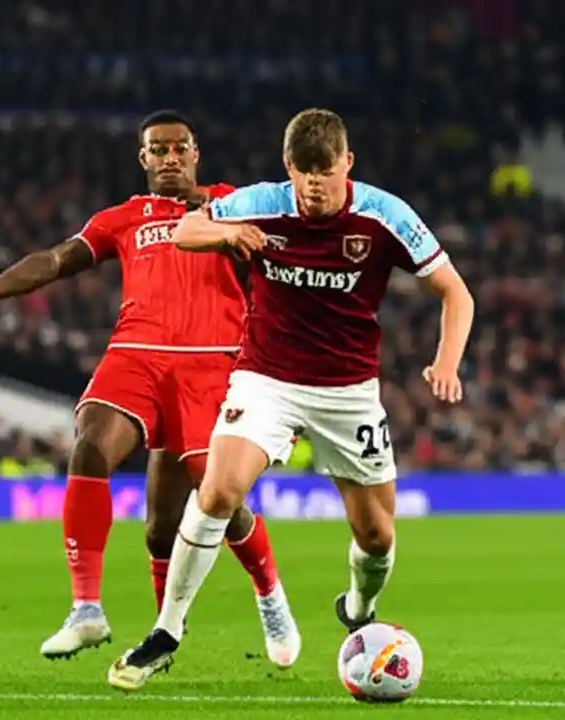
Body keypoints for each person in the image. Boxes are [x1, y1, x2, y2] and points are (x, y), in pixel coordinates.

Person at [108, 108, 474, 690]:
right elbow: (185, 231)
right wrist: (228, 232)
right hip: (266, 379)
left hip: (348, 392)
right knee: (220, 489)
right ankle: (167, 631)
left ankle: (357, 606)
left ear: (347, 165)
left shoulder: (384, 215)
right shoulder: (263, 202)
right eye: (303, 174)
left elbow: (455, 292)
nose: (313, 187)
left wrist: (447, 361)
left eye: (324, 173)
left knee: (378, 537)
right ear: (288, 169)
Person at [0, 110, 300, 668]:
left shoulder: (232, 202)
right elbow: (57, 259)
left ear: (196, 153)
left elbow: (293, 246)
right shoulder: (124, 218)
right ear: (144, 159)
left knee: (183, 518)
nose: (171, 157)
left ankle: (268, 592)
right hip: (136, 354)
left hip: (212, 364)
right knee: (88, 442)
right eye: (159, 149)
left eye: (180, 147)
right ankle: (86, 608)